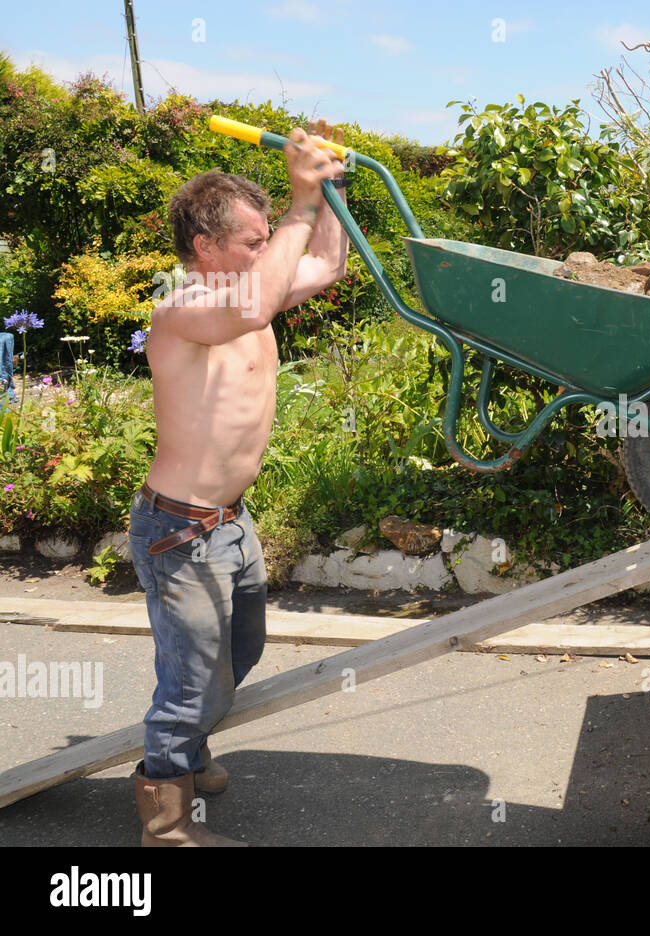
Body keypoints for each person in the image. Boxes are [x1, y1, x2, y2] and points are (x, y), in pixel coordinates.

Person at [129, 121, 349, 846]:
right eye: (254, 243)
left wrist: (330, 191)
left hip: (230, 523)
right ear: (205, 248)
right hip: (179, 532)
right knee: (192, 680)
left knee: (238, 654)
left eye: (266, 241)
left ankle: (187, 749)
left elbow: (323, 268)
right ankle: (163, 820)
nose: (267, 253)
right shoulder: (187, 310)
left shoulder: (251, 294)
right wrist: (295, 206)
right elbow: (257, 302)